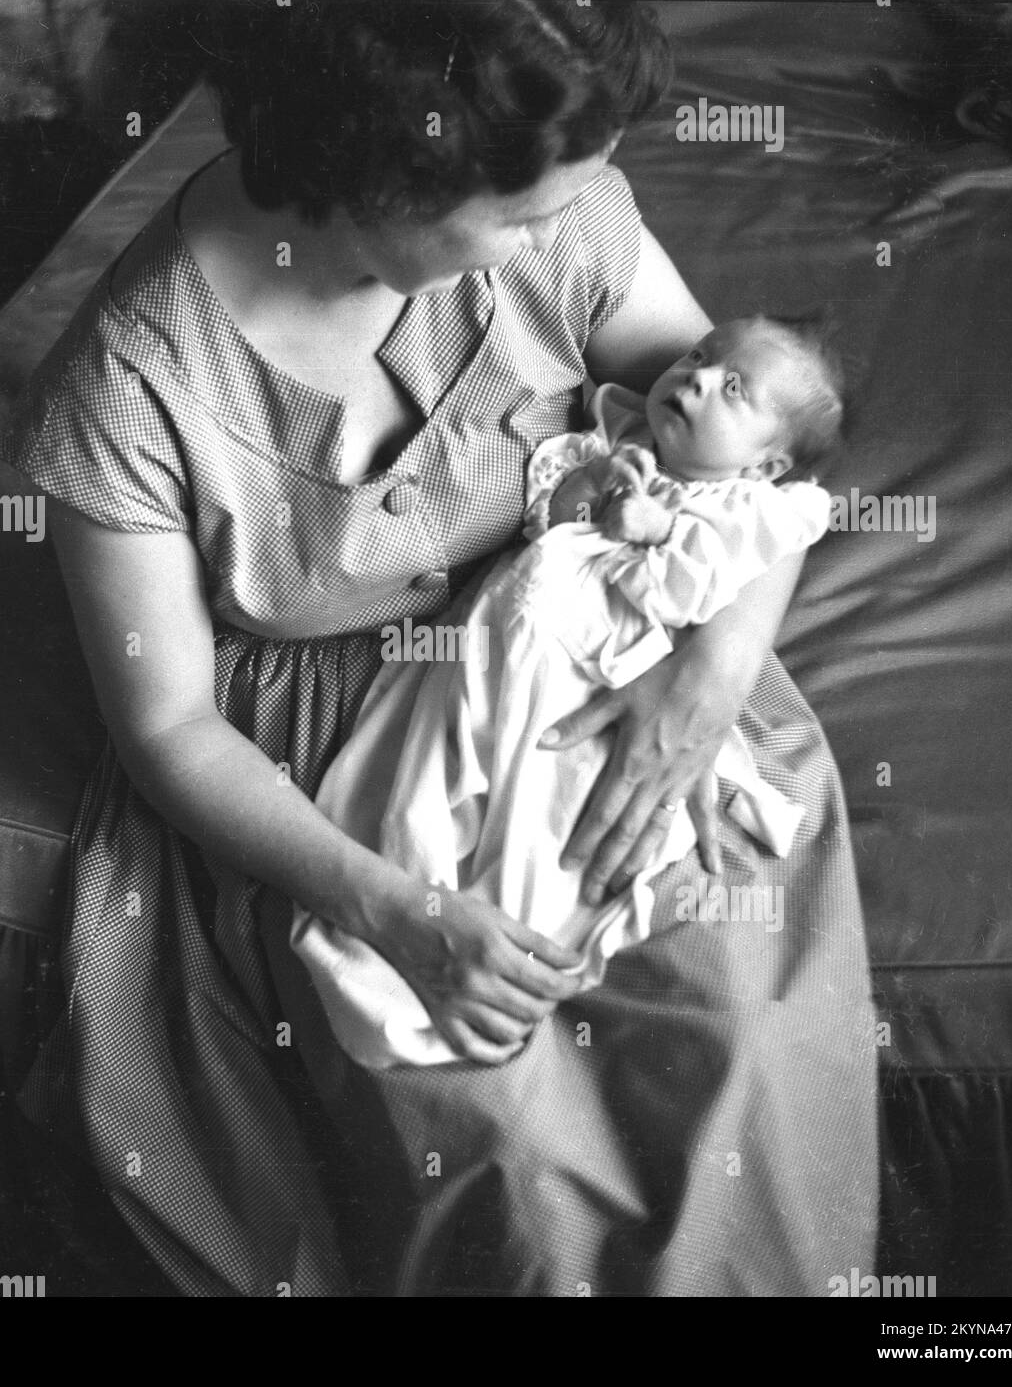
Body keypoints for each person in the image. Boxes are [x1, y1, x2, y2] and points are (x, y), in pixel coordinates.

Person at [3, 0, 877, 1295]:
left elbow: (754, 468)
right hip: (345, 784)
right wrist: (399, 914)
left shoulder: (564, 213)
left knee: (737, 1040)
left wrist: (716, 668)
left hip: (596, 669)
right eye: (520, 213)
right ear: (381, 176)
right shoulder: (131, 390)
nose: (562, 229)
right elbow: (169, 727)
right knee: (506, 1151)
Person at [290, 316, 843, 1071]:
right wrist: (587, 492)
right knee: (434, 771)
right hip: (501, 641)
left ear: (766, 465)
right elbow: (547, 518)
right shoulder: (605, 444)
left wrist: (656, 529)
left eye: (733, 389)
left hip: (604, 670)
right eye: (699, 357)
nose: (697, 377)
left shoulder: (747, 512)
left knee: (555, 802)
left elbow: (690, 586)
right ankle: (411, 911)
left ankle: (511, 939)